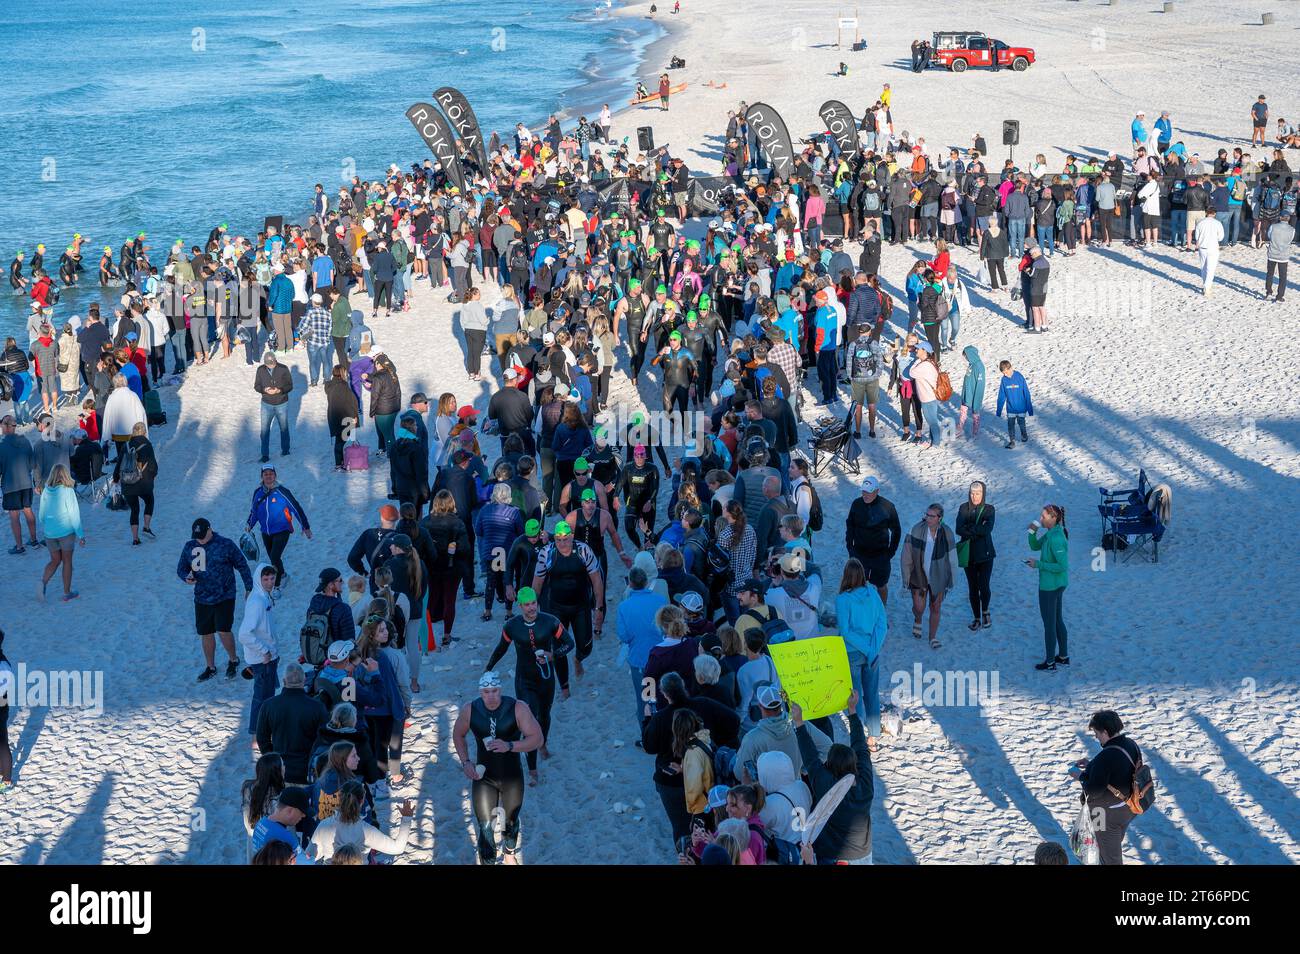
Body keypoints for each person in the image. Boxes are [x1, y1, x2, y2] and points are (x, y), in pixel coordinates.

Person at [451, 671, 544, 865]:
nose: (491, 696)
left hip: (511, 775)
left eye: (494, 691)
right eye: (486, 692)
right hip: (484, 777)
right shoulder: (470, 709)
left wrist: (510, 746)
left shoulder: (517, 708)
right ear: (480, 692)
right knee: (485, 825)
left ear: (500, 690)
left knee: (510, 820)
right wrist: (466, 762)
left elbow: (537, 738)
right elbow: (458, 735)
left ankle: (509, 854)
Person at [484, 586, 573, 785]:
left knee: (544, 715)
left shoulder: (549, 621)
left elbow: (569, 643)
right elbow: (501, 648)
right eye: (527, 605)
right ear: (520, 606)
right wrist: (488, 666)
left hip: (546, 679)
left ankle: (543, 744)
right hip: (524, 680)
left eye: (534, 603)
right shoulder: (512, 626)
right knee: (529, 722)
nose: (532, 608)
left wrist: (553, 655)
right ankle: (533, 770)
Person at [794, 691, 874, 864]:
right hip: (862, 855)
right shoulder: (865, 782)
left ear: (830, 766)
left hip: (830, 854)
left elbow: (810, 757)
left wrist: (799, 722)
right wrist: (852, 710)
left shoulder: (826, 785)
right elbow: (860, 745)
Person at [179, 516, 254, 681]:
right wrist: (186, 577)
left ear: (210, 529)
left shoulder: (225, 544)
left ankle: (233, 660)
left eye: (203, 536)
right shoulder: (190, 546)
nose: (200, 540)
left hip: (224, 595)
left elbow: (242, 564)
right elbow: (181, 568)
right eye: (197, 537)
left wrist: (249, 587)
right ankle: (210, 667)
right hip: (202, 597)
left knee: (223, 629)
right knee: (205, 632)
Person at [530, 520, 603, 686]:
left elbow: (597, 581)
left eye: (566, 539)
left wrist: (599, 608)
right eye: (558, 540)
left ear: (572, 536)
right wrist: (532, 612)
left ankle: (578, 659)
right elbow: (537, 584)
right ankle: (564, 687)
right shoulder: (546, 553)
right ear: (554, 539)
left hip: (581, 606)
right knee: (558, 648)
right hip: (556, 608)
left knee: (586, 647)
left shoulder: (583, 551)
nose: (562, 543)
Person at [1070, 709, 1142, 865]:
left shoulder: (1106, 756)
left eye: (1096, 734)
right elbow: (1119, 772)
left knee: (1110, 857)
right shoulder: (1131, 744)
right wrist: (1091, 767)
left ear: (1105, 731)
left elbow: (1093, 791)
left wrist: (1080, 776)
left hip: (1104, 814)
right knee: (1110, 845)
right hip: (1129, 807)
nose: (1096, 738)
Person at [835, 559, 887, 752]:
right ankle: (872, 736)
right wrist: (873, 648)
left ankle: (861, 734)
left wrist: (866, 649)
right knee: (872, 693)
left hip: (853, 653)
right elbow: (882, 624)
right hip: (873, 651)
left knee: (855, 696)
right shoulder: (873, 593)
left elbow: (846, 632)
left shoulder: (842, 600)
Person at [255, 663, 329, 786]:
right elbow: (325, 739)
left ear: (284, 681)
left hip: (280, 771)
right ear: (304, 680)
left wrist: (274, 759)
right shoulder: (317, 707)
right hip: (307, 771)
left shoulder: (269, 705)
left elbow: (262, 738)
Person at [310, 780, 414, 862]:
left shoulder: (324, 826)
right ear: (362, 801)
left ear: (339, 799)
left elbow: (310, 857)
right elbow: (398, 848)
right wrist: (406, 819)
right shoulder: (366, 830)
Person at [900, 503, 958, 649]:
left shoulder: (947, 533)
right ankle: (918, 618)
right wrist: (906, 577)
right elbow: (906, 556)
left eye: (931, 516)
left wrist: (952, 579)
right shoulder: (916, 530)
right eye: (926, 514)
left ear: (940, 518)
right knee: (919, 607)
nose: (927, 518)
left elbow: (952, 558)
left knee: (935, 607)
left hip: (939, 576)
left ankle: (932, 637)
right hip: (918, 574)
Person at [245, 464, 312, 589]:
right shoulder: (257, 493)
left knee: (275, 556)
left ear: (275, 475)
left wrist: (305, 526)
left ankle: (277, 584)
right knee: (273, 557)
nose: (268, 476)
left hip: (282, 529)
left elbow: (296, 508)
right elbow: (254, 511)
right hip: (265, 531)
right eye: (266, 474)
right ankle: (284, 575)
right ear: (262, 477)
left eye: (271, 473)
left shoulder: (282, 492)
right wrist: (249, 524)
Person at [239, 563, 281, 738]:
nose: (270, 582)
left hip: (267, 656)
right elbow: (244, 634)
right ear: (258, 579)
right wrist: (265, 651)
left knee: (267, 695)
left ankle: (262, 730)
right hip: (262, 659)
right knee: (262, 698)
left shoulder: (263, 596)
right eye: (266, 579)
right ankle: (258, 733)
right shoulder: (257, 601)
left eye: (272, 578)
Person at [844, 475, 900, 604]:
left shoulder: (888, 506)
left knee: (881, 585)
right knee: (857, 585)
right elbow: (850, 526)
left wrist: (890, 553)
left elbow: (896, 531)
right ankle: (862, 613)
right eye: (863, 491)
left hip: (880, 555)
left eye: (869, 492)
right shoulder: (856, 504)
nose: (865, 495)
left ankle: (881, 613)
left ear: (877, 491)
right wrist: (850, 548)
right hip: (859, 553)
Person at [1028, 503, 1070, 671]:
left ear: (1053, 518)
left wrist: (1038, 564)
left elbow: (1062, 566)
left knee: (1049, 624)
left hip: (1050, 587)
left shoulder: (1056, 538)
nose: (1040, 519)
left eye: (1043, 517)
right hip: (1057, 585)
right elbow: (1034, 546)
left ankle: (1051, 661)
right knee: (1057, 619)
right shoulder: (1051, 533)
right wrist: (1032, 531)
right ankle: (1063, 656)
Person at [36, 463, 84, 601]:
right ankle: (66, 592)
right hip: (66, 532)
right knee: (67, 561)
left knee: (55, 560)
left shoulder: (46, 491)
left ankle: (43, 583)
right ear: (65, 475)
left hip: (49, 533)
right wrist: (81, 535)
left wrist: (48, 527)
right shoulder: (68, 491)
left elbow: (42, 515)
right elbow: (74, 514)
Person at [956, 481, 996, 631]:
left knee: (984, 586)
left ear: (983, 493)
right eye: (972, 493)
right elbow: (958, 529)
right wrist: (976, 529)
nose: (975, 496)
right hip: (969, 555)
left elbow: (987, 529)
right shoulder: (963, 508)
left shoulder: (989, 509)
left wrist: (969, 528)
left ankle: (985, 611)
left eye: (978, 493)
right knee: (973, 588)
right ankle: (976, 617)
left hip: (985, 555)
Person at [0, 414, 38, 554]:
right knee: (28, 510)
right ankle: (34, 540)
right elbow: (33, 464)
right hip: (26, 483)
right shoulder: (26, 442)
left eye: (3, 424)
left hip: (10, 485)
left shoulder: (2, 446)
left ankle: (19, 546)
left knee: (14, 515)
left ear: (7, 427)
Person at [250, 785, 314, 865]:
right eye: (302, 812)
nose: (303, 816)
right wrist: (311, 859)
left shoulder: (261, 822)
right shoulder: (286, 837)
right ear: (290, 811)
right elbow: (306, 863)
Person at [254, 351, 293, 464]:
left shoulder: (283, 369)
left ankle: (285, 450)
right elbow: (256, 386)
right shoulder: (260, 370)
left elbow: (290, 385)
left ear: (275, 360)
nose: (271, 366)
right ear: (265, 363)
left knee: (284, 428)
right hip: (266, 404)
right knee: (264, 431)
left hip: (282, 403)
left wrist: (280, 390)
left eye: (273, 363)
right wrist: (264, 390)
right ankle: (265, 455)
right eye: (269, 364)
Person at [325, 364, 360, 471]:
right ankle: (339, 464)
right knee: (341, 440)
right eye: (344, 372)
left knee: (339, 439)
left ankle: (339, 463)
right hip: (343, 416)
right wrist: (354, 416)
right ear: (341, 373)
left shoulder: (329, 385)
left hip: (333, 416)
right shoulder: (343, 386)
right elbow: (352, 402)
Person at [995, 359, 1034, 448]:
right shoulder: (1004, 380)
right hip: (1010, 408)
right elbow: (1001, 395)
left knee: (1021, 423)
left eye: (1006, 372)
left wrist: (1030, 409)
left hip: (1021, 407)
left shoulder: (1019, 377)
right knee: (1010, 425)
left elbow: (1026, 393)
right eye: (1003, 373)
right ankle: (1012, 441)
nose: (1005, 374)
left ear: (1010, 368)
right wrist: (999, 410)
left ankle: (1024, 435)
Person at [1192, 207, 1225, 296]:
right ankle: (1207, 287)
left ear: (1206, 213)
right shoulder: (1218, 223)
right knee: (1211, 269)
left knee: (1204, 267)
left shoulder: (1200, 223)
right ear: (1214, 214)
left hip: (1203, 248)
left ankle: (1205, 285)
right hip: (1213, 247)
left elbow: (1196, 237)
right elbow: (1221, 237)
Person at [1264, 214, 1294, 302]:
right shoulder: (1292, 230)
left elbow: (1269, 236)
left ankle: (1268, 292)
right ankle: (1280, 296)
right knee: (1283, 277)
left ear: (1280, 218)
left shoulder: (1273, 226)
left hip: (1273, 253)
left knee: (1270, 274)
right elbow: (1290, 240)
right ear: (1288, 219)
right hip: (1283, 255)